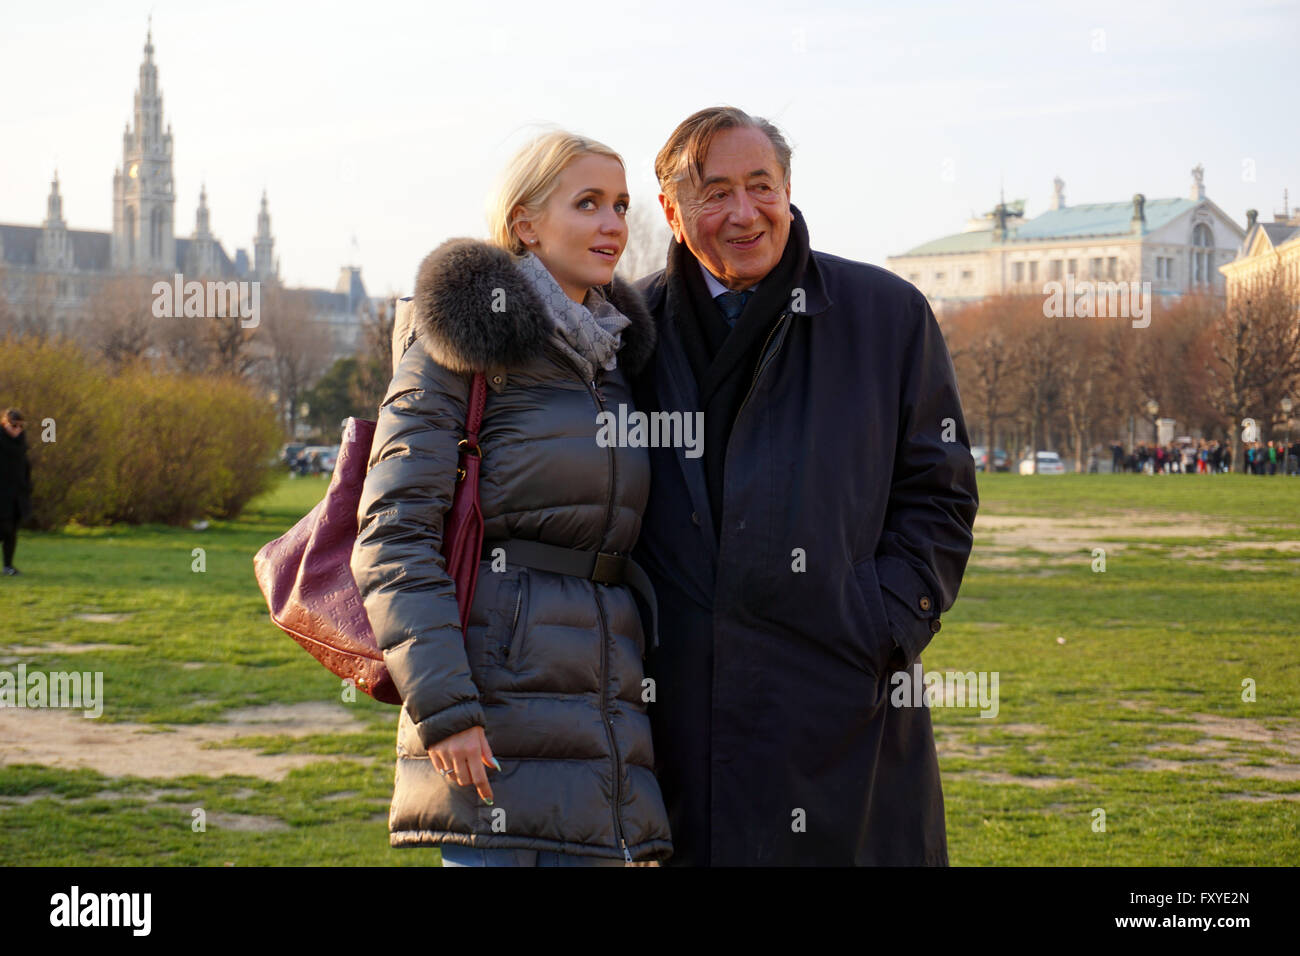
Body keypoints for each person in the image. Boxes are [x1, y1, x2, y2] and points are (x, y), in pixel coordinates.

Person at [630, 107, 978, 865]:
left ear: (789, 188)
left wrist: (884, 622)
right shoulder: (627, 332)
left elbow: (942, 492)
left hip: (843, 698)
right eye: (714, 192)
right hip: (674, 711)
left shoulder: (887, 315)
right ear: (670, 210)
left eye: (762, 186)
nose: (744, 213)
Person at [350, 131, 671, 866]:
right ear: (525, 223)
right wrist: (446, 711)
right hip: (490, 712)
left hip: (606, 712)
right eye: (587, 203)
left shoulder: (615, 357)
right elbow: (394, 535)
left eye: (621, 205)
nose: (614, 224)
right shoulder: (458, 347)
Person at [0, 408, 32, 576]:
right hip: (1, 495)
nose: (17, 429)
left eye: (21, 426)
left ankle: (8, 566)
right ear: (4, 423)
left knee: (11, 532)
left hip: (16, 496)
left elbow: (25, 467)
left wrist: (27, 487)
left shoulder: (21, 444)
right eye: (13, 425)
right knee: (4, 529)